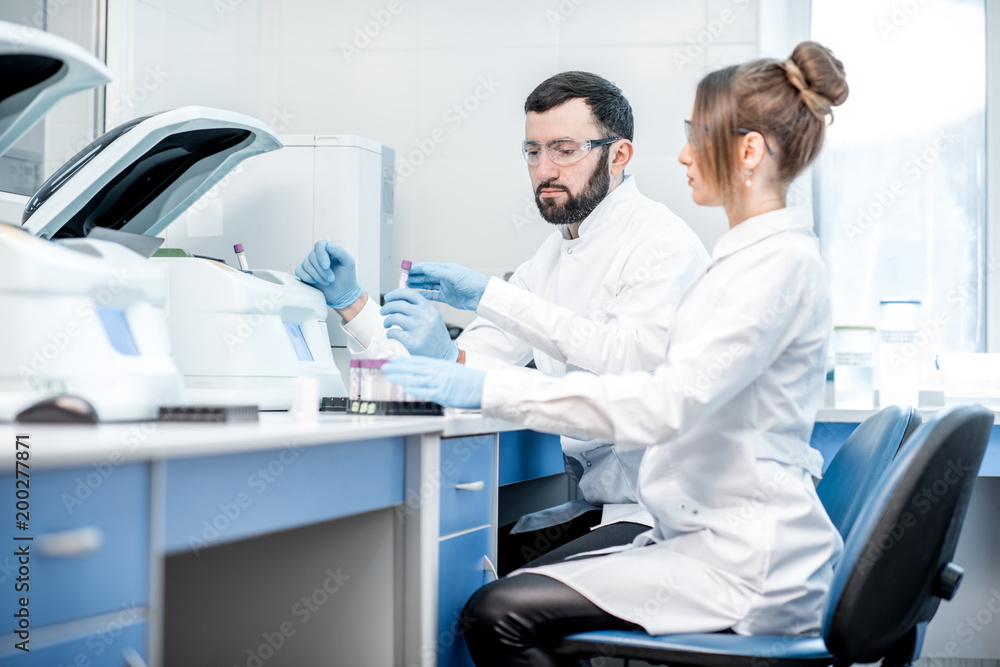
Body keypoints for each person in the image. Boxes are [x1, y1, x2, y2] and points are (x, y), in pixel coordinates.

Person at [383, 41, 850, 665]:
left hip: (743, 563)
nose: (682, 155)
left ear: (747, 151)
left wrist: (488, 385)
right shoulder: (748, 258)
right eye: (533, 151)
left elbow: (658, 400)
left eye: (697, 136)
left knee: (496, 614)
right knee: (497, 585)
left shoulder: (772, 267)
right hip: (705, 537)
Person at [296, 71, 710, 573]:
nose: (544, 170)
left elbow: (624, 371)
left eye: (564, 150)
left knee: (489, 593)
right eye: (533, 152)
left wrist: (490, 299)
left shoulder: (661, 245)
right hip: (600, 503)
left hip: (665, 515)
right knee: (447, 562)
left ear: (618, 155)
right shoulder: (552, 255)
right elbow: (440, 373)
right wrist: (353, 305)